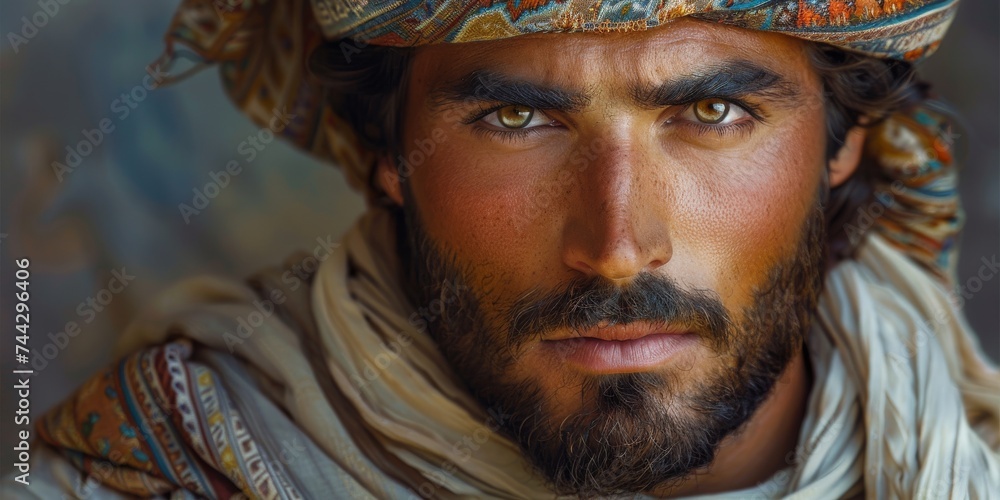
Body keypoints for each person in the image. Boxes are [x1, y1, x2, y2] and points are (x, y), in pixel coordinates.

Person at [10, 0, 999, 498]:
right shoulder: (142, 473)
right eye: (518, 120)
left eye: (713, 110)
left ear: (844, 140)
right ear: (386, 149)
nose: (616, 247)